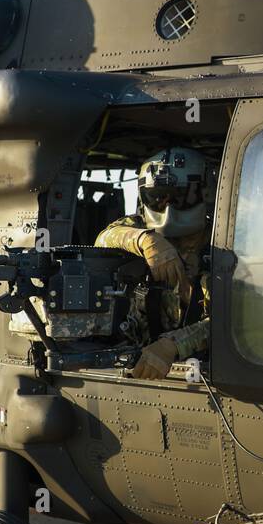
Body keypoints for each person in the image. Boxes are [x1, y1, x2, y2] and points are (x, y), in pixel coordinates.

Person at [95, 147, 213, 380]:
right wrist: (145, 240)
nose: (168, 207)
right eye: (157, 198)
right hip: (144, 362)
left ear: (205, 193)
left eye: (180, 197)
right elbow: (104, 238)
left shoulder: (223, 241)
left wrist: (172, 346)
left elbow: (233, 323)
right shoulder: (138, 227)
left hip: (203, 372)